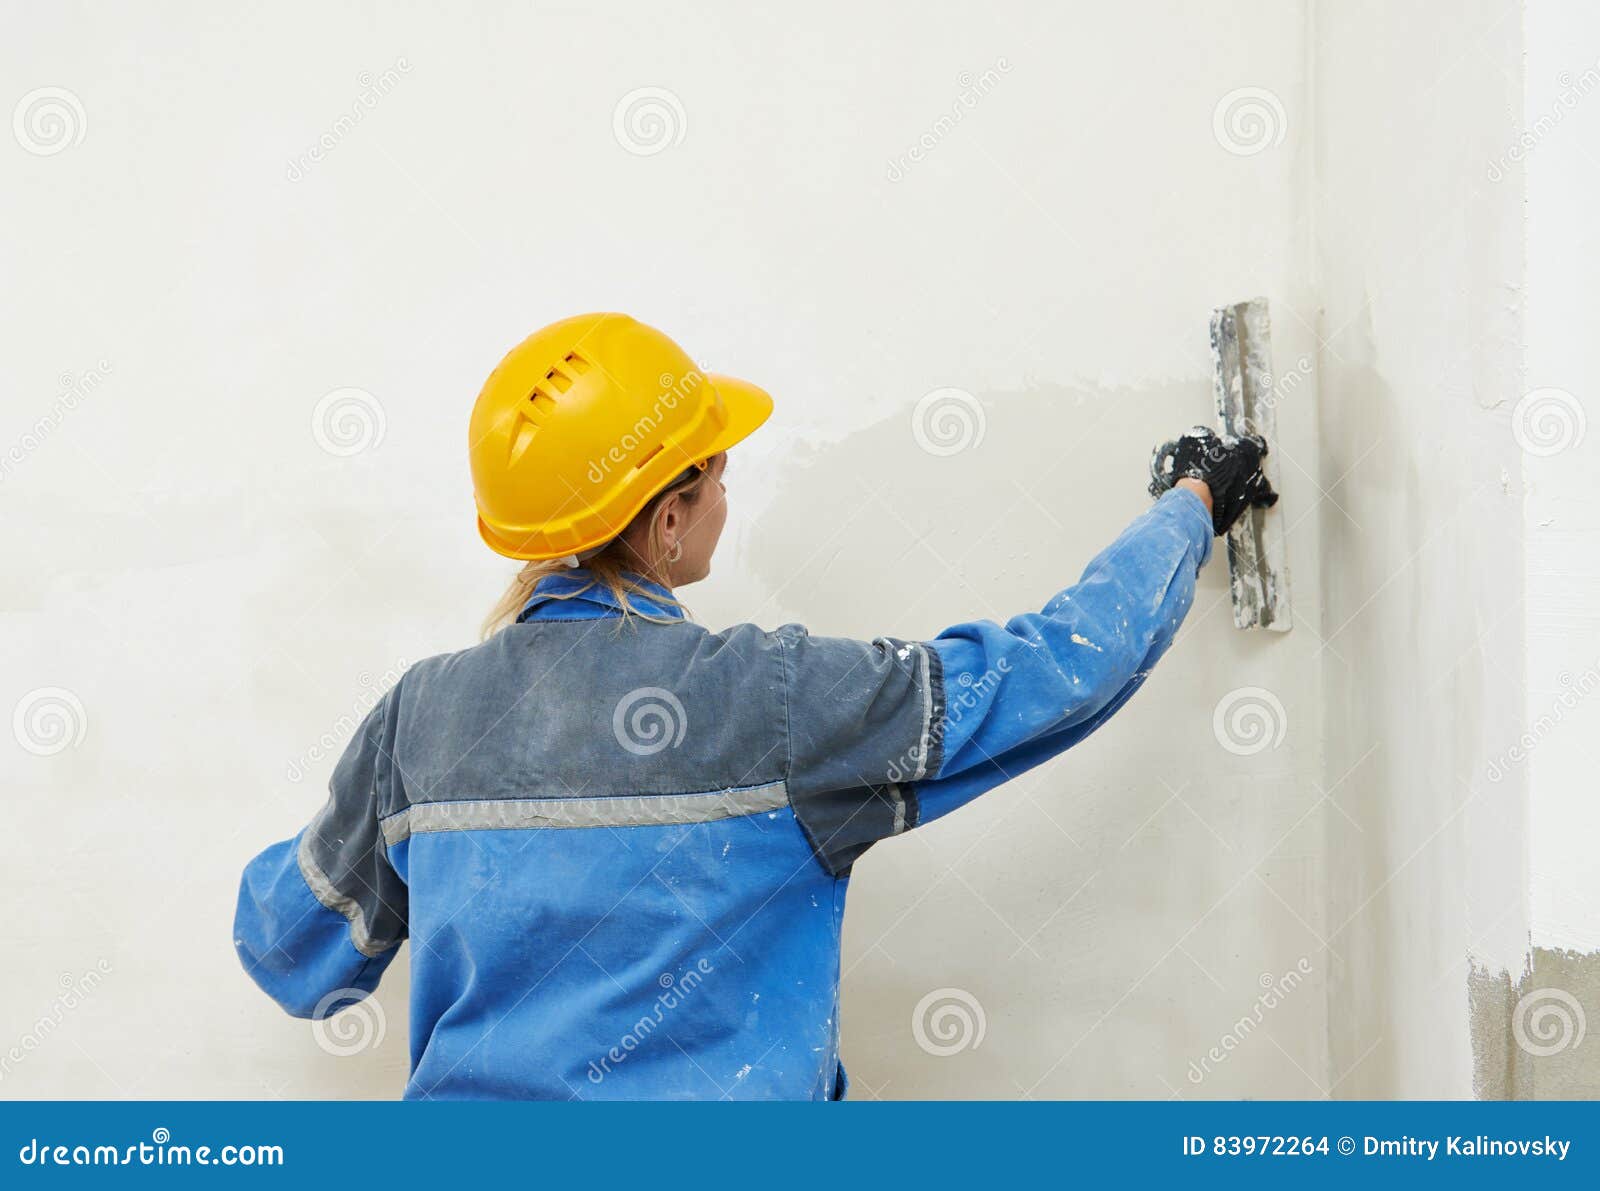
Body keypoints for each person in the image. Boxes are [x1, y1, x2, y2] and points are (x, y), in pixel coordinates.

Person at [234, 313, 1275, 1100]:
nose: (727, 497)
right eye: (717, 473)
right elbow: (1060, 670)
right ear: (670, 520)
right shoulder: (771, 701)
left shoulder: (425, 717)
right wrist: (1188, 507)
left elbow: (286, 950)